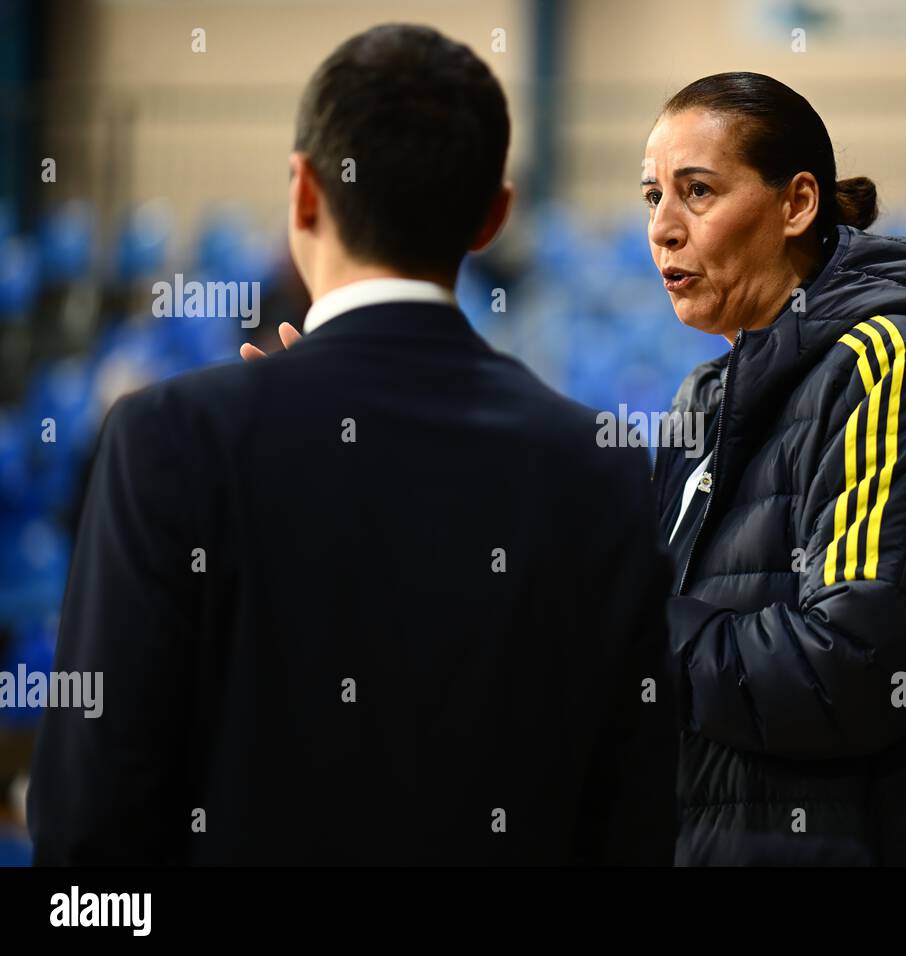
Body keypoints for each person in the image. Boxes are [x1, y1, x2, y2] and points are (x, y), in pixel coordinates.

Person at [27, 24, 677, 865]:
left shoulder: (168, 438)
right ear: (494, 216)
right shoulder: (605, 467)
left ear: (303, 193)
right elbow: (634, 821)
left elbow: (89, 822)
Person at [642, 72, 906, 865]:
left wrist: (623, 628)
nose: (664, 228)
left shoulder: (891, 366)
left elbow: (852, 669)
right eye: (652, 197)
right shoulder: (704, 398)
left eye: (699, 192)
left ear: (797, 205)